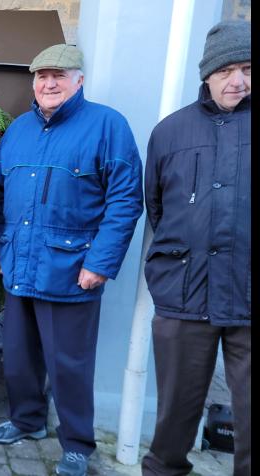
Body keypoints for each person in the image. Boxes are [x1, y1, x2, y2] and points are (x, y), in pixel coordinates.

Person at [0, 44, 143, 476]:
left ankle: (76, 443)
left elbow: (126, 201)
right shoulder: (18, 130)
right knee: (18, 355)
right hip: (20, 264)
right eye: (41, 76)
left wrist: (100, 263)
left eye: (59, 75)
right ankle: (27, 421)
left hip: (73, 271)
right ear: (33, 83)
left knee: (69, 364)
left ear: (79, 80)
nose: (49, 83)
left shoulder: (108, 126)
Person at [141, 20, 251, 476]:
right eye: (227, 69)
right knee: (173, 421)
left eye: (247, 68)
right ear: (207, 73)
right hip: (185, 296)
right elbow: (157, 208)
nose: (238, 80)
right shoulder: (170, 132)